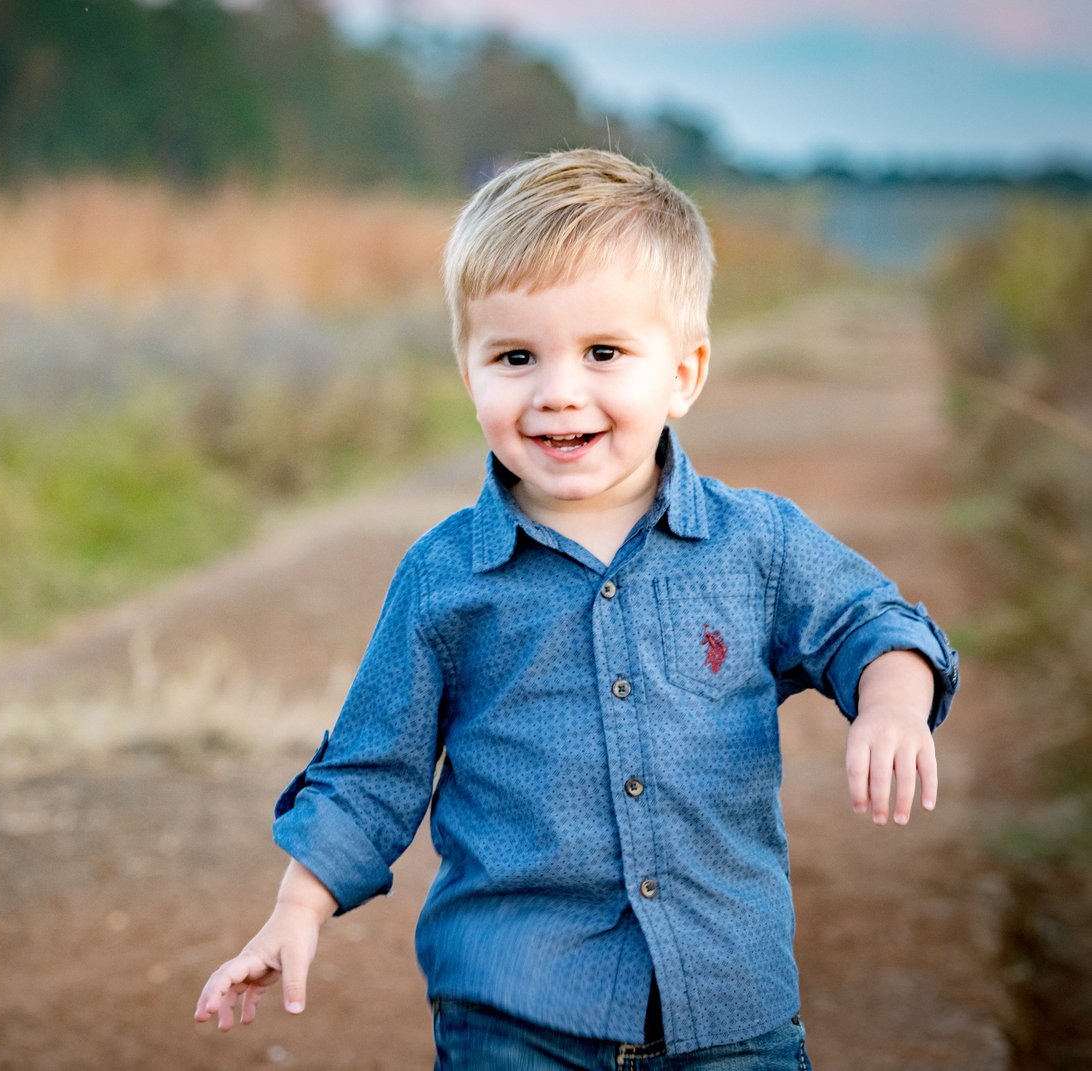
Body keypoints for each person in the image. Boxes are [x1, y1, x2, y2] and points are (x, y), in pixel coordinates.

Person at [193, 149, 959, 1069]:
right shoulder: (445, 578)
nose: (558, 390)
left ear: (684, 371)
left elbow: (875, 623)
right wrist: (297, 906)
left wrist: (893, 699)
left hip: (730, 1010)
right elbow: (372, 769)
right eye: (516, 356)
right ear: (468, 372)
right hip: (513, 1014)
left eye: (603, 352)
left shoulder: (756, 545)